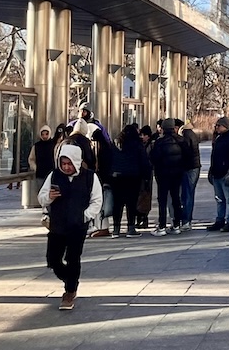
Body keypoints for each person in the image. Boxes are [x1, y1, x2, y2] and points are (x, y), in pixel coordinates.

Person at [37, 143, 102, 311]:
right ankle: (70, 279)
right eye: (63, 164)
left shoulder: (89, 177)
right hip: (57, 224)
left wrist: (85, 216)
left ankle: (70, 291)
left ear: (76, 162)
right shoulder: (54, 176)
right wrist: (49, 197)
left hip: (77, 226)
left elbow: (97, 200)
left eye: (69, 164)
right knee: (53, 260)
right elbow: (41, 198)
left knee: (73, 258)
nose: (66, 167)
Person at [110, 123, 151, 236]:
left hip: (116, 177)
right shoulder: (137, 145)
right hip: (133, 177)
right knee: (131, 203)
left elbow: (109, 159)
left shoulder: (114, 144)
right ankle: (130, 227)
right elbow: (144, 162)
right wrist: (147, 177)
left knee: (117, 204)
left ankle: (116, 229)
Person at [149, 119, 186, 235]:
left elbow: (154, 158)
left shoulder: (160, 142)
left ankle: (162, 226)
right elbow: (187, 156)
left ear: (163, 129)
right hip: (177, 174)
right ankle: (176, 225)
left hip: (163, 174)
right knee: (176, 199)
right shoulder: (181, 141)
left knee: (162, 200)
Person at [206, 116, 229, 231]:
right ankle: (220, 220)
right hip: (217, 172)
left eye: (218, 126)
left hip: (226, 173)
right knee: (219, 198)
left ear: (225, 126)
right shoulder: (218, 138)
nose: (216, 128)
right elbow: (214, 156)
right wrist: (211, 171)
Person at [177, 118, 200, 231]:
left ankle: (186, 220)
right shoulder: (192, 134)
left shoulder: (185, 136)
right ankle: (187, 220)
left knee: (186, 195)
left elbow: (186, 152)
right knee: (188, 193)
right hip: (194, 166)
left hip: (189, 167)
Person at [136, 125, 154, 229]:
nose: (142, 137)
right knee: (140, 196)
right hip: (141, 173)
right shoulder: (140, 145)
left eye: (144, 135)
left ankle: (144, 218)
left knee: (146, 196)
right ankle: (139, 218)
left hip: (147, 173)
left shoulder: (151, 145)